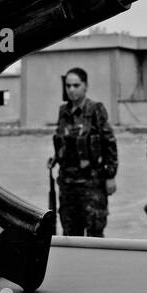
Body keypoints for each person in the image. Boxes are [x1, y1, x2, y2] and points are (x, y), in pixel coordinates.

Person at [48, 68, 117, 237]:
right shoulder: (63, 111)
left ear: (85, 86)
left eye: (76, 85)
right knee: (70, 234)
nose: (71, 89)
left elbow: (109, 143)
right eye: (68, 85)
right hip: (67, 184)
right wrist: (56, 157)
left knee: (94, 232)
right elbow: (63, 140)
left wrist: (110, 176)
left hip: (91, 183)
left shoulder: (95, 110)